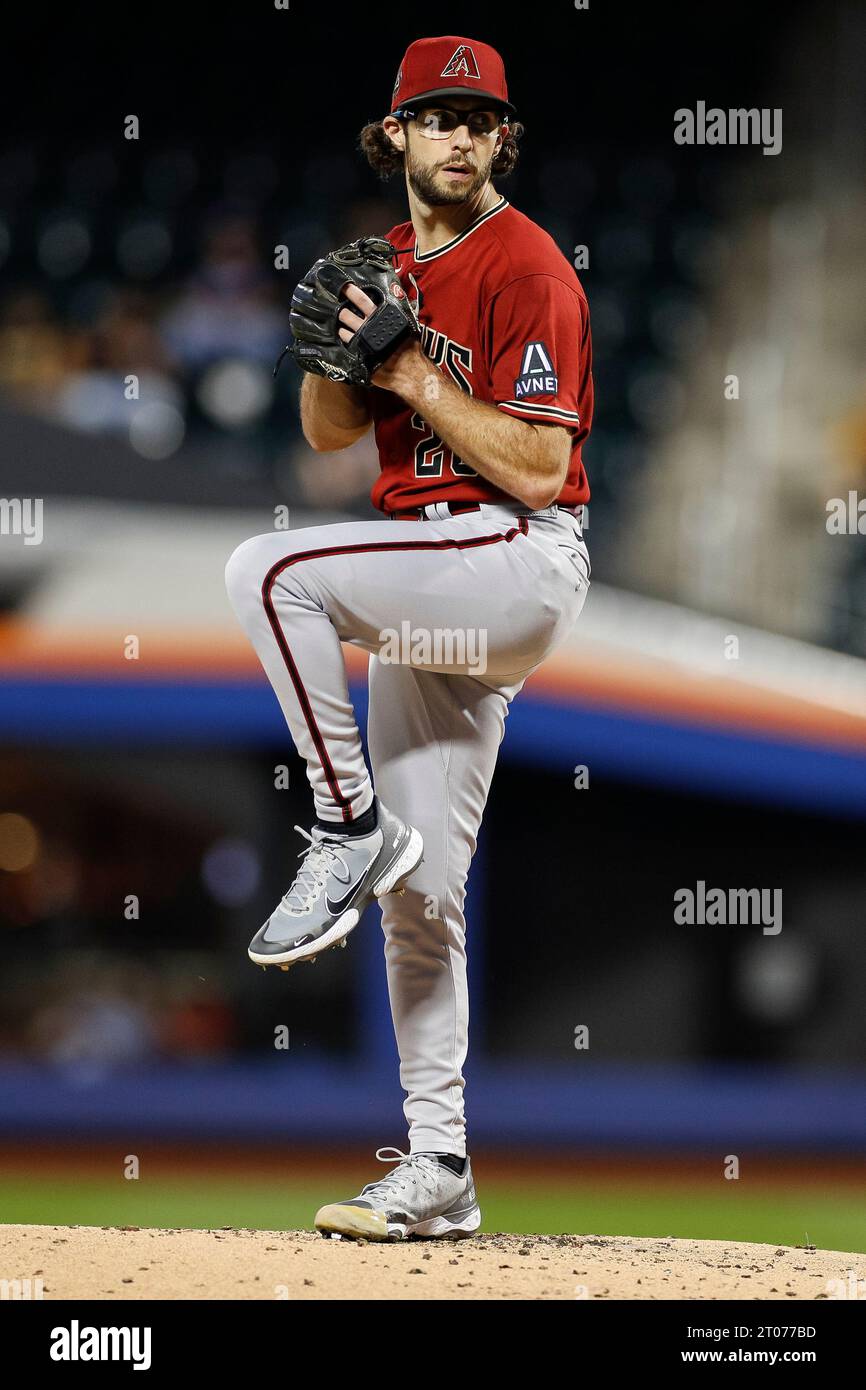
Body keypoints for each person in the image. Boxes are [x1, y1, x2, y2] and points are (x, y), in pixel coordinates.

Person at [225, 34, 593, 1242]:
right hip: (432, 586)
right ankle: (438, 1164)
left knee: (269, 565)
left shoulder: (526, 263)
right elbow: (331, 430)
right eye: (432, 117)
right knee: (423, 894)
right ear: (393, 136)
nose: (455, 136)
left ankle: (338, 824)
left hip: (510, 554)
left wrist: (411, 370)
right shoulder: (376, 263)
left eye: (476, 119)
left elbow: (541, 467)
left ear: (500, 137)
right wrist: (336, 350)